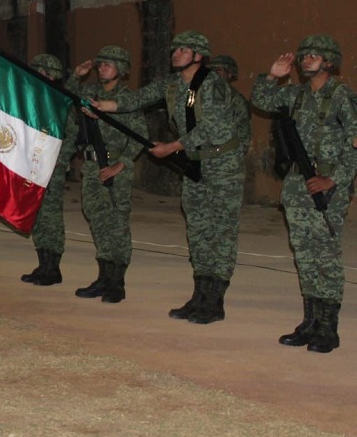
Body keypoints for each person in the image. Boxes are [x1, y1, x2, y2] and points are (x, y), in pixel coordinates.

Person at [92, 31, 244, 324]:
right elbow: (138, 99)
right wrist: (105, 106)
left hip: (223, 164)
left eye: (184, 50)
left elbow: (210, 127)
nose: (176, 53)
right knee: (198, 229)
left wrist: (173, 147)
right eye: (175, 49)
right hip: (196, 162)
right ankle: (199, 295)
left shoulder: (213, 85)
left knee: (221, 231)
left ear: (198, 56)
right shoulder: (172, 84)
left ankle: (215, 301)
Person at [250, 35, 357, 353]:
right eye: (304, 55)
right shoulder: (294, 94)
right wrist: (272, 75)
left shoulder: (341, 97)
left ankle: (328, 328)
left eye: (313, 55)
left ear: (329, 62)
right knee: (305, 255)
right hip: (297, 186)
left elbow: (355, 145)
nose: (305, 59)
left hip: (326, 188)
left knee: (325, 256)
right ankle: (310, 322)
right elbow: (261, 100)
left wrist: (334, 179)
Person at [66, 46, 146, 303]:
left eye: (108, 65)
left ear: (120, 70)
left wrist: (121, 164)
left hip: (115, 168)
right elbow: (65, 98)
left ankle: (117, 281)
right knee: (97, 220)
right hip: (91, 167)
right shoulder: (90, 93)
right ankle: (103, 276)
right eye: (100, 64)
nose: (102, 68)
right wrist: (76, 76)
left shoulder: (126, 100)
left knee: (117, 223)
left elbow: (139, 137)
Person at [21, 54, 76, 287]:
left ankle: (53, 267)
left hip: (52, 166)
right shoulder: (29, 99)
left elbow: (70, 136)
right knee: (37, 216)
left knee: (51, 217)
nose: (42, 76)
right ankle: (42, 263)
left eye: (44, 73)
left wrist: (58, 161)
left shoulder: (60, 102)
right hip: (32, 166)